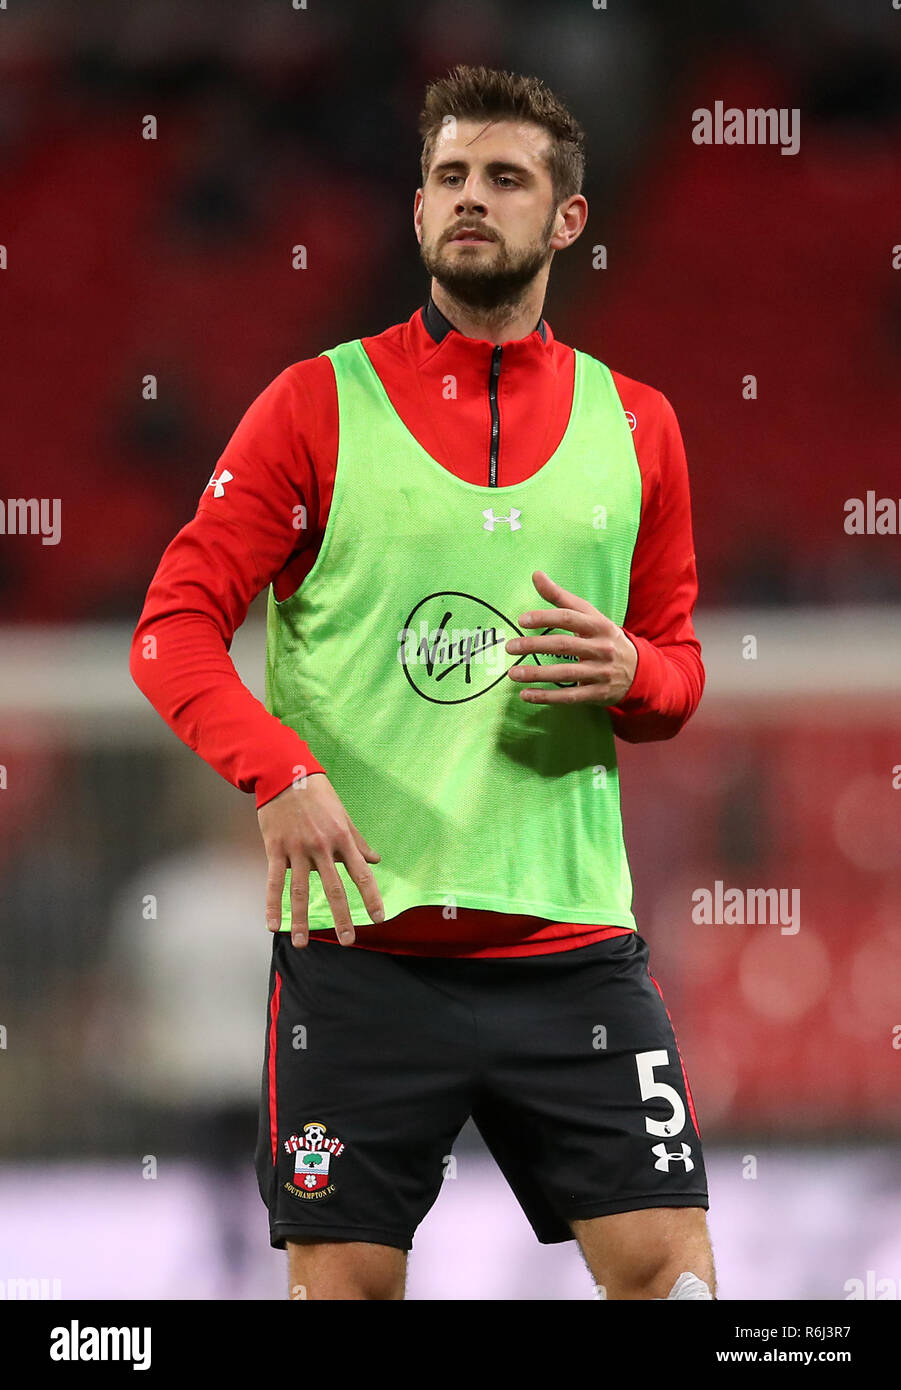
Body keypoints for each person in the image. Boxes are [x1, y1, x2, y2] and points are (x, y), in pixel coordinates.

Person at [131, 64, 715, 1301]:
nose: (471, 198)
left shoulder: (640, 425)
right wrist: (277, 769)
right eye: (449, 176)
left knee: (675, 1277)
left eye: (505, 179)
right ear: (414, 210)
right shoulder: (313, 408)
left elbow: (677, 674)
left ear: (565, 220)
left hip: (572, 949)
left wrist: (634, 672)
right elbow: (173, 627)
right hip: (361, 954)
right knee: (340, 1287)